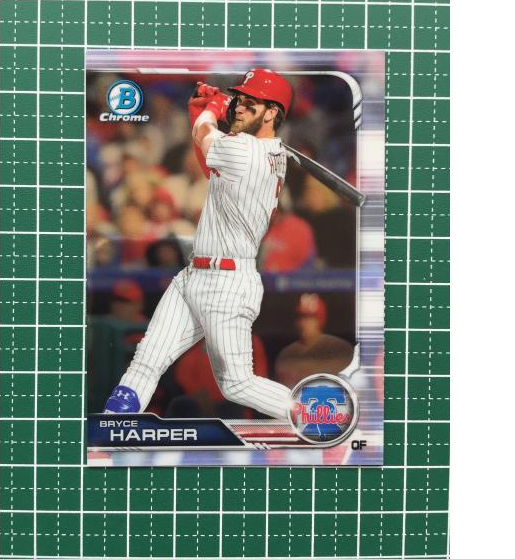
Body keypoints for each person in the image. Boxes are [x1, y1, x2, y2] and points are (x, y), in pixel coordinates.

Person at [104, 69, 295, 420]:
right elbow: (210, 162)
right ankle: (114, 426)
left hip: (228, 281)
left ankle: (312, 414)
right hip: (196, 273)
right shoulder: (257, 151)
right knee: (146, 360)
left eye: (249, 103)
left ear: (272, 113)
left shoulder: (246, 152)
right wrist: (202, 112)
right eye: (238, 100)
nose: (238, 107)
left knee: (236, 384)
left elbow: (206, 135)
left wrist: (212, 108)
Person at [275, 293, 354, 388]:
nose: (304, 323)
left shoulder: (341, 351)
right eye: (301, 317)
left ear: (320, 320)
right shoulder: (285, 356)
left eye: (310, 318)